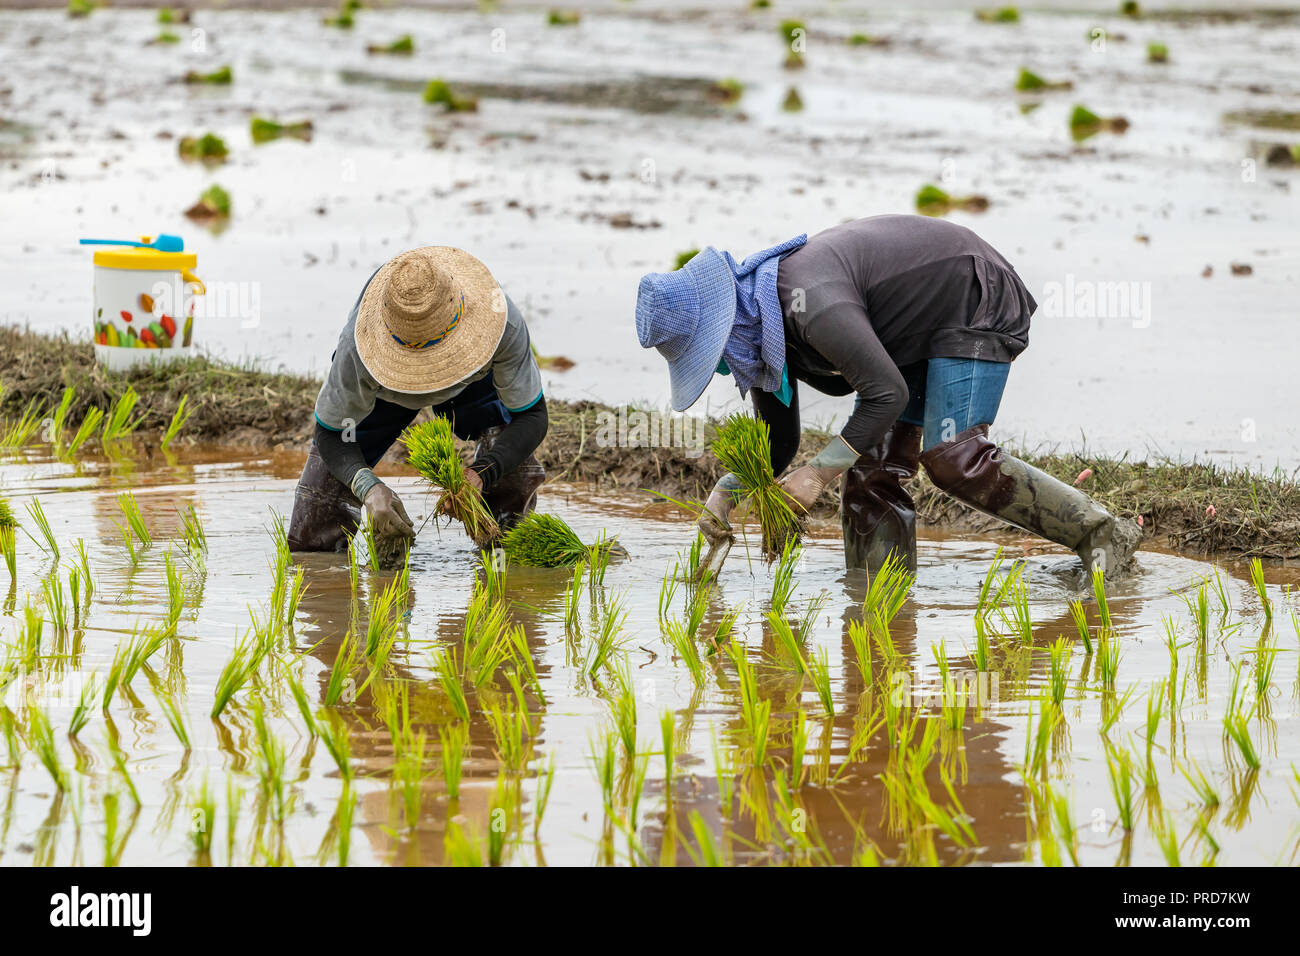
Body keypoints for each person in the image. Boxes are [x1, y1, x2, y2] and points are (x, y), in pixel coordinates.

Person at [635, 214, 1141, 578]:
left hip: (970, 293)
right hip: (911, 331)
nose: (721, 369)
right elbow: (777, 445)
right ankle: (880, 594)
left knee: (954, 456)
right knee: (870, 466)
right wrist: (724, 495)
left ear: (725, 327)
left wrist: (815, 476)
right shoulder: (763, 330)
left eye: (710, 356)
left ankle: (1102, 535)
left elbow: (885, 394)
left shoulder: (809, 303)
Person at [288, 246, 547, 561]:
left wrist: (483, 472)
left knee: (511, 507)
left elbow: (532, 416)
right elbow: (332, 432)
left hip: (473, 384)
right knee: (312, 541)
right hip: (382, 397)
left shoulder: (499, 323)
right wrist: (367, 486)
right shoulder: (357, 350)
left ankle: (504, 552)